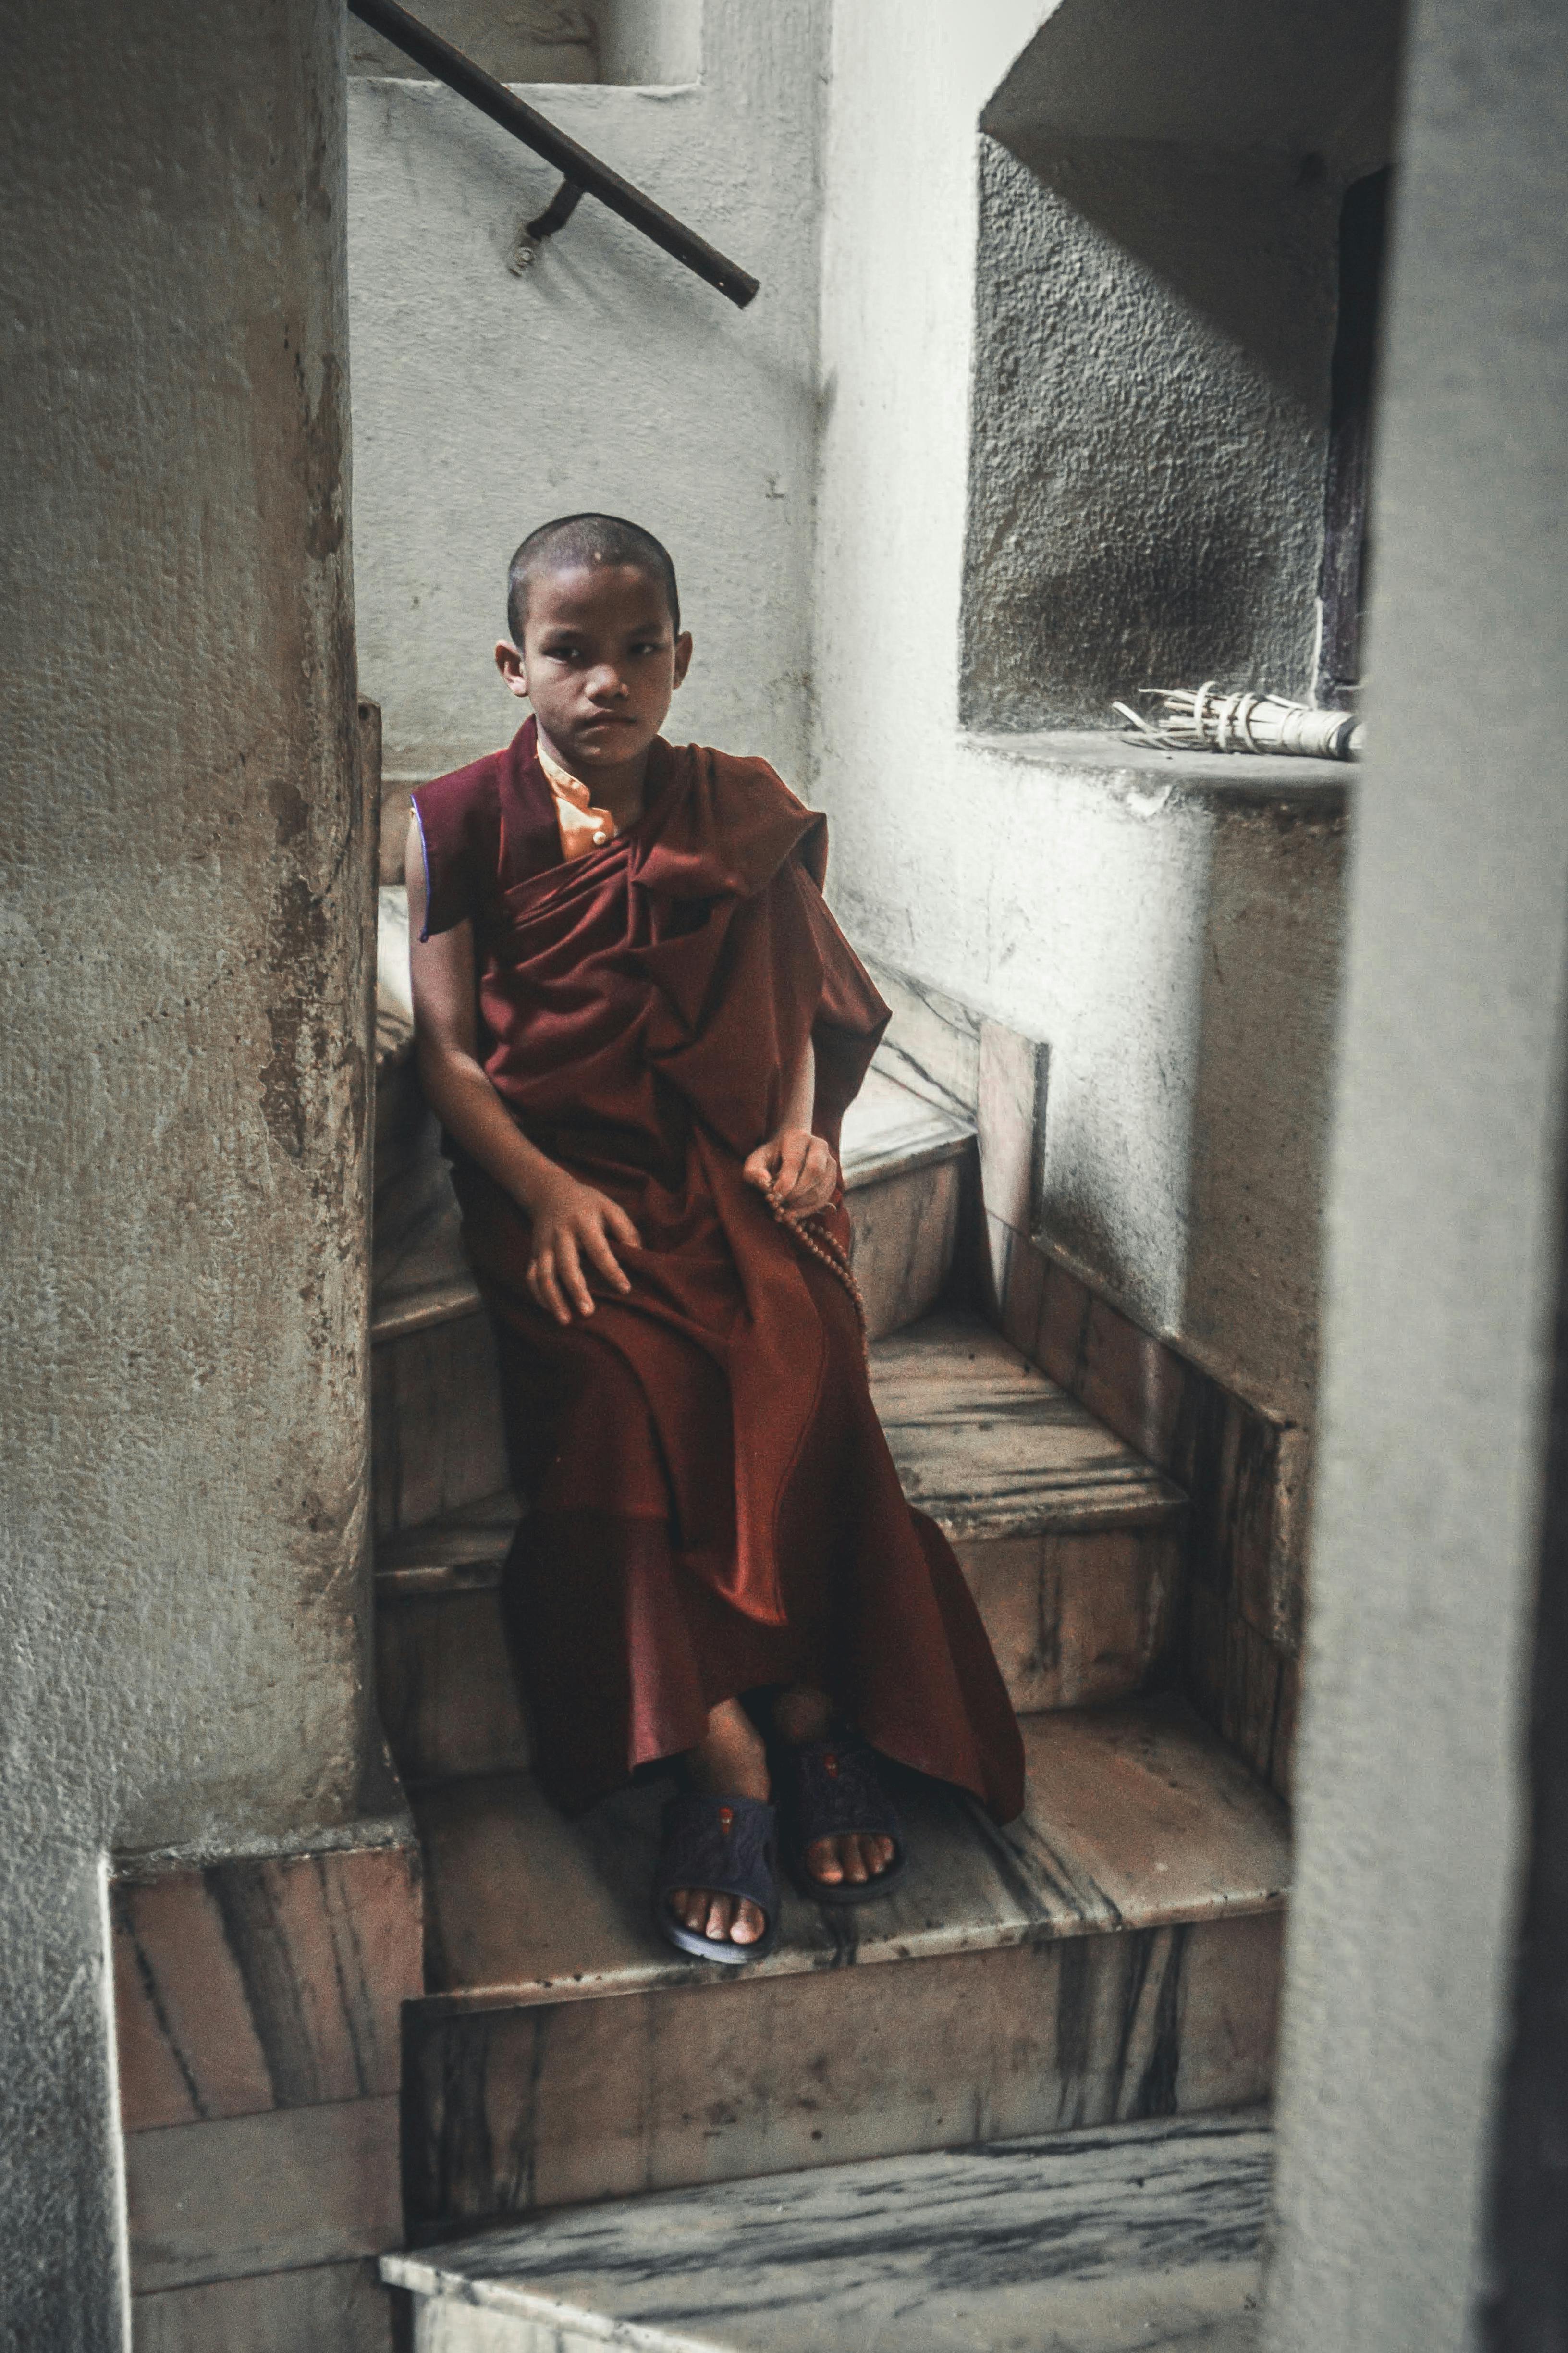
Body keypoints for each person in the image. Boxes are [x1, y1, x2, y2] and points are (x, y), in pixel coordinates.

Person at [406, 513, 1024, 1964]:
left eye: (637, 652)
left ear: (681, 660)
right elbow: (445, 1052)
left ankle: (806, 1691)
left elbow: (802, 1000)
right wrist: (543, 1194)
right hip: (560, 1178)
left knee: (802, 1350)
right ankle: (726, 1739)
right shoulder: (457, 822)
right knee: (625, 1394)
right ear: (516, 665)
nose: (605, 681)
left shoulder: (738, 804)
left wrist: (806, 1139)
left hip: (723, 1170)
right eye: (570, 653)